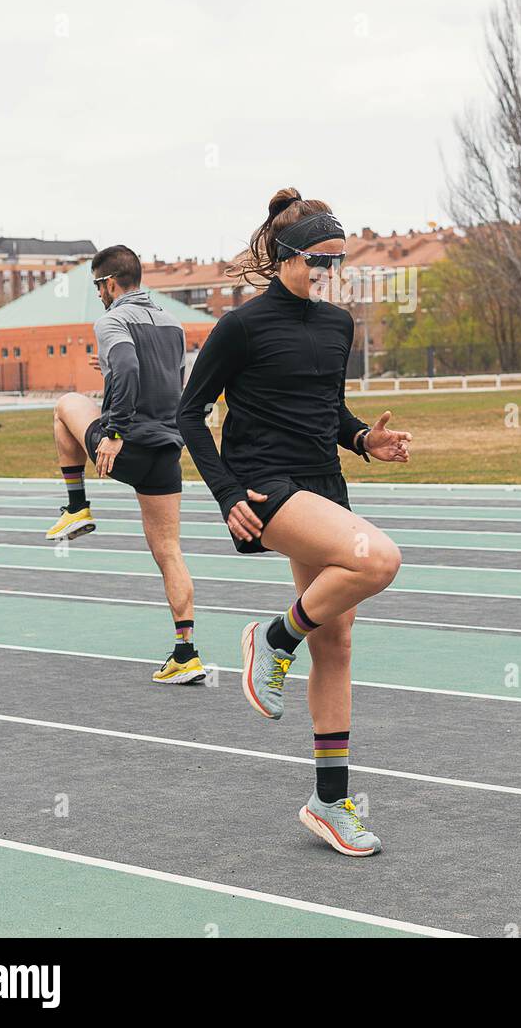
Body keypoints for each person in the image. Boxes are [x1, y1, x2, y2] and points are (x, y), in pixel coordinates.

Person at [177, 189, 411, 857]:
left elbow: (326, 414)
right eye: (317, 260)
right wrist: (225, 494)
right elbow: (189, 414)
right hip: (264, 486)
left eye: (336, 263)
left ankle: (329, 802)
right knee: (378, 560)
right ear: (285, 255)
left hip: (322, 485)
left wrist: (366, 440)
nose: (326, 274)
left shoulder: (336, 324)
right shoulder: (241, 327)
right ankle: (272, 639)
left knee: (335, 648)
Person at [45, 244, 207, 686]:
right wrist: (112, 373)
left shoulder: (111, 320)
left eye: (98, 285)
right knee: (169, 551)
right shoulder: (172, 324)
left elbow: (129, 365)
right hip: (164, 453)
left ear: (111, 282)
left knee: (65, 405)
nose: (98, 294)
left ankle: (76, 505)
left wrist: (114, 433)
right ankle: (186, 653)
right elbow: (170, 382)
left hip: (124, 445)